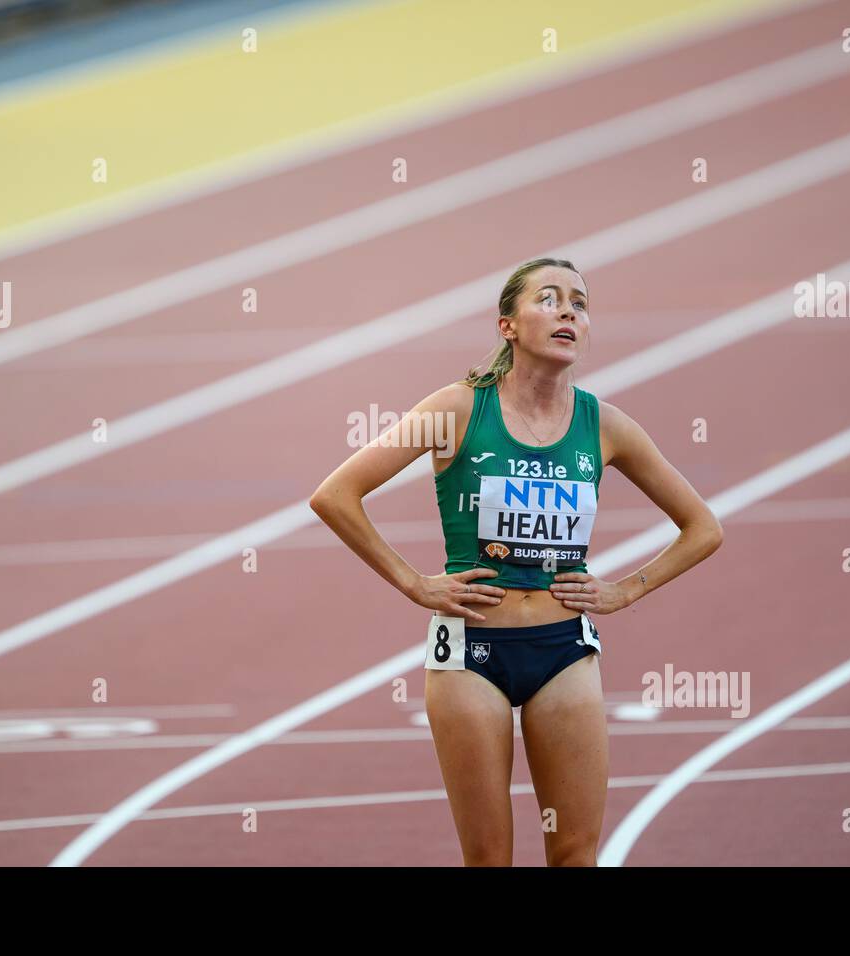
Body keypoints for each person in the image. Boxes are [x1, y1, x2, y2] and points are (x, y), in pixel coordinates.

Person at [309, 257, 723, 866]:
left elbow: (703, 528)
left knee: (575, 855)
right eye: (548, 299)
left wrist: (624, 591)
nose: (567, 312)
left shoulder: (603, 425)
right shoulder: (456, 410)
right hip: (471, 655)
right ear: (507, 325)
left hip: (564, 653)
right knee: (489, 858)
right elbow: (335, 495)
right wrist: (414, 583)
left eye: (579, 304)